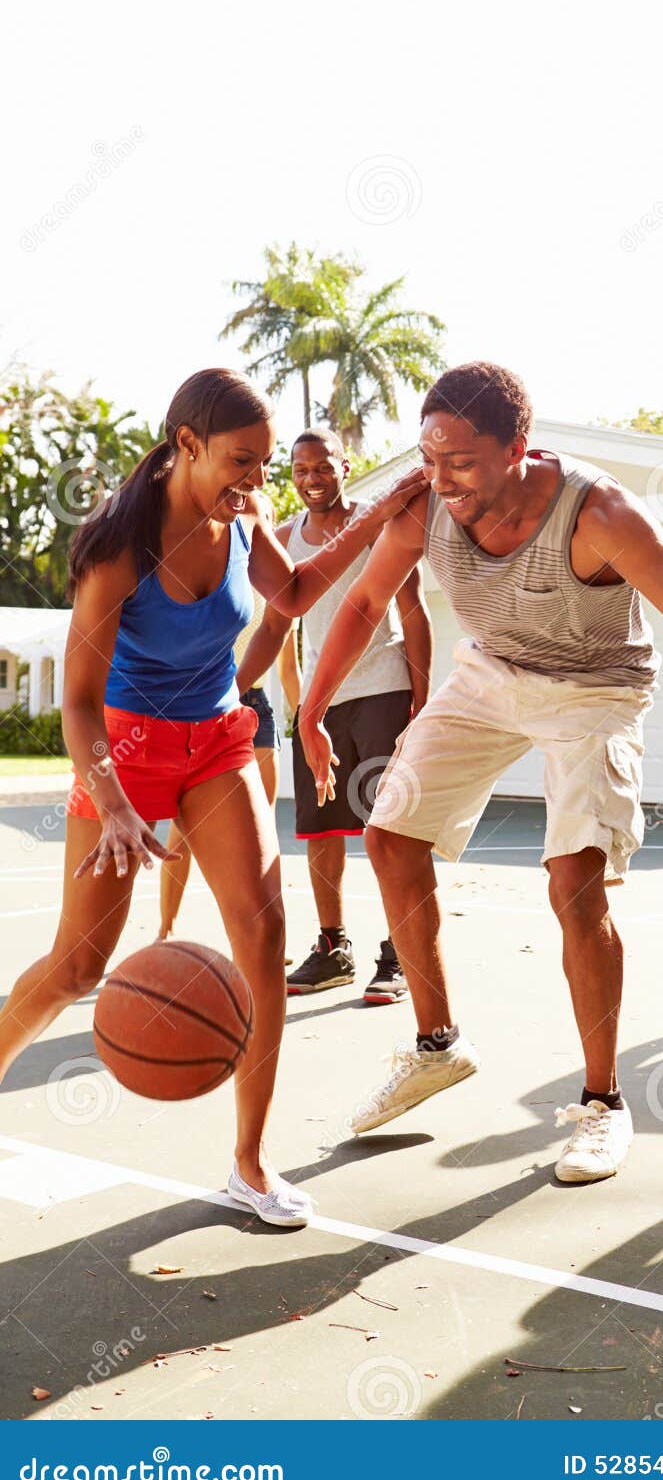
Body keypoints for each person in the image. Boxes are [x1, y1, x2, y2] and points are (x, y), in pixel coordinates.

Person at [298, 361, 663, 1184]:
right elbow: (363, 604)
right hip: (489, 671)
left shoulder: (600, 514)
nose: (439, 480)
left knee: (573, 879)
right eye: (428, 460)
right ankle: (436, 1045)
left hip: (594, 690)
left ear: (518, 449)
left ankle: (603, 1103)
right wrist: (309, 707)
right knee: (390, 837)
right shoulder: (424, 503)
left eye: (461, 463)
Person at [0, 368, 425, 1225]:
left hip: (217, 740)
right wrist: (113, 801)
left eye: (264, 464)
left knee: (263, 934)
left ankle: (249, 1162)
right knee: (79, 962)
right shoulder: (119, 547)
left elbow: (297, 593)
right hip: (123, 752)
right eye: (241, 461)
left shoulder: (247, 519)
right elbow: (77, 704)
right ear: (187, 444)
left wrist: (379, 512)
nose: (256, 479)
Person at [242, 429, 432, 1000]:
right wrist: (234, 688)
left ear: (345, 466)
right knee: (320, 830)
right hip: (318, 708)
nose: (311, 479)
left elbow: (414, 613)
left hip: (382, 690)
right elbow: (275, 627)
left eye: (322, 467)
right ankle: (332, 949)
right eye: (300, 470)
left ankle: (399, 952)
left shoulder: (378, 527)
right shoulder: (282, 540)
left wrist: (420, 700)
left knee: (386, 827)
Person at [158, 571, 299, 939]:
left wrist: (307, 722)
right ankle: (167, 927)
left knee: (261, 832)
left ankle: (261, 939)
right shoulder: (215, 575)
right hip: (209, 706)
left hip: (256, 708)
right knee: (184, 828)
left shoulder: (281, 589)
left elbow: (288, 669)